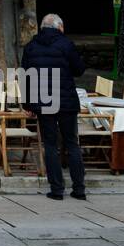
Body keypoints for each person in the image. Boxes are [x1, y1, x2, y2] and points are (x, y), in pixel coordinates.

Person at [22, 13, 87, 201]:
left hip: (44, 103)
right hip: (66, 102)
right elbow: (79, 70)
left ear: (42, 27)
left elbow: (25, 77)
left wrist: (28, 104)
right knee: (72, 144)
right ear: (59, 27)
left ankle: (57, 189)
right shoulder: (66, 44)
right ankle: (79, 188)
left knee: (50, 145)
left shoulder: (31, 47)